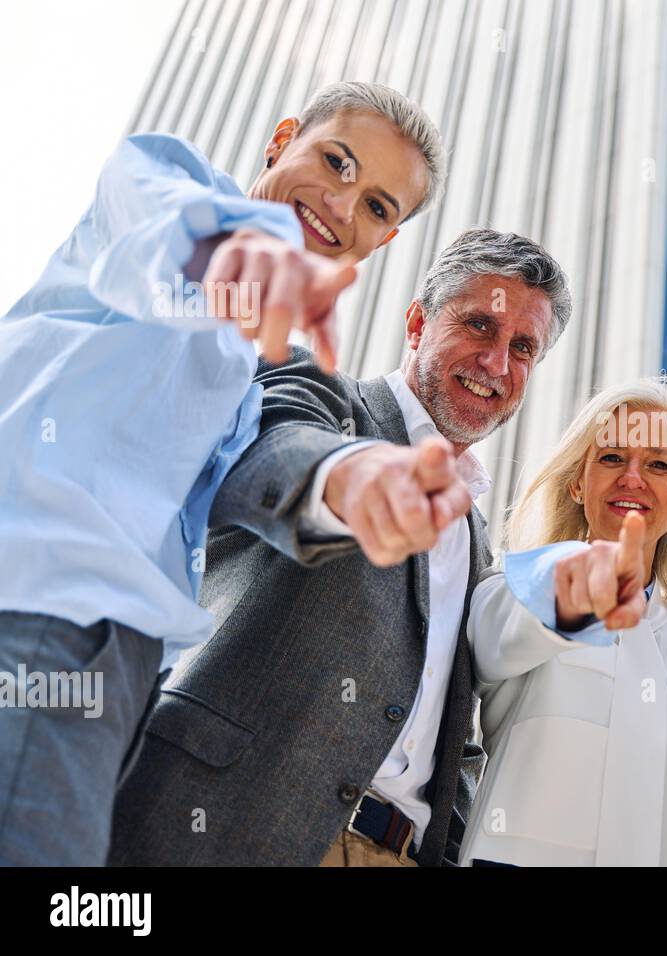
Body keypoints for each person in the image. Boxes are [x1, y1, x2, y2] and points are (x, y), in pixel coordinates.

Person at [0, 80, 442, 866]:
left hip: (120, 672)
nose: (344, 208)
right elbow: (175, 247)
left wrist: (346, 479)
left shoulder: (248, 380)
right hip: (39, 602)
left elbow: (262, 462)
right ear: (280, 140)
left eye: (378, 207)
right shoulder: (169, 179)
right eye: (336, 162)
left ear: (386, 242)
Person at [109, 229, 573, 867]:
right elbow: (281, 452)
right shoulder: (326, 400)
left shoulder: (475, 538)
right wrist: (351, 478)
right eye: (479, 326)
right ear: (417, 323)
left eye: (523, 347)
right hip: (227, 827)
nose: (497, 363)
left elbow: (452, 731)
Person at [463, 377, 667, 866]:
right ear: (578, 482)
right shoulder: (513, 589)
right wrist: (585, 582)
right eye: (612, 457)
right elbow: (496, 640)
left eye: (659, 464)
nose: (632, 478)